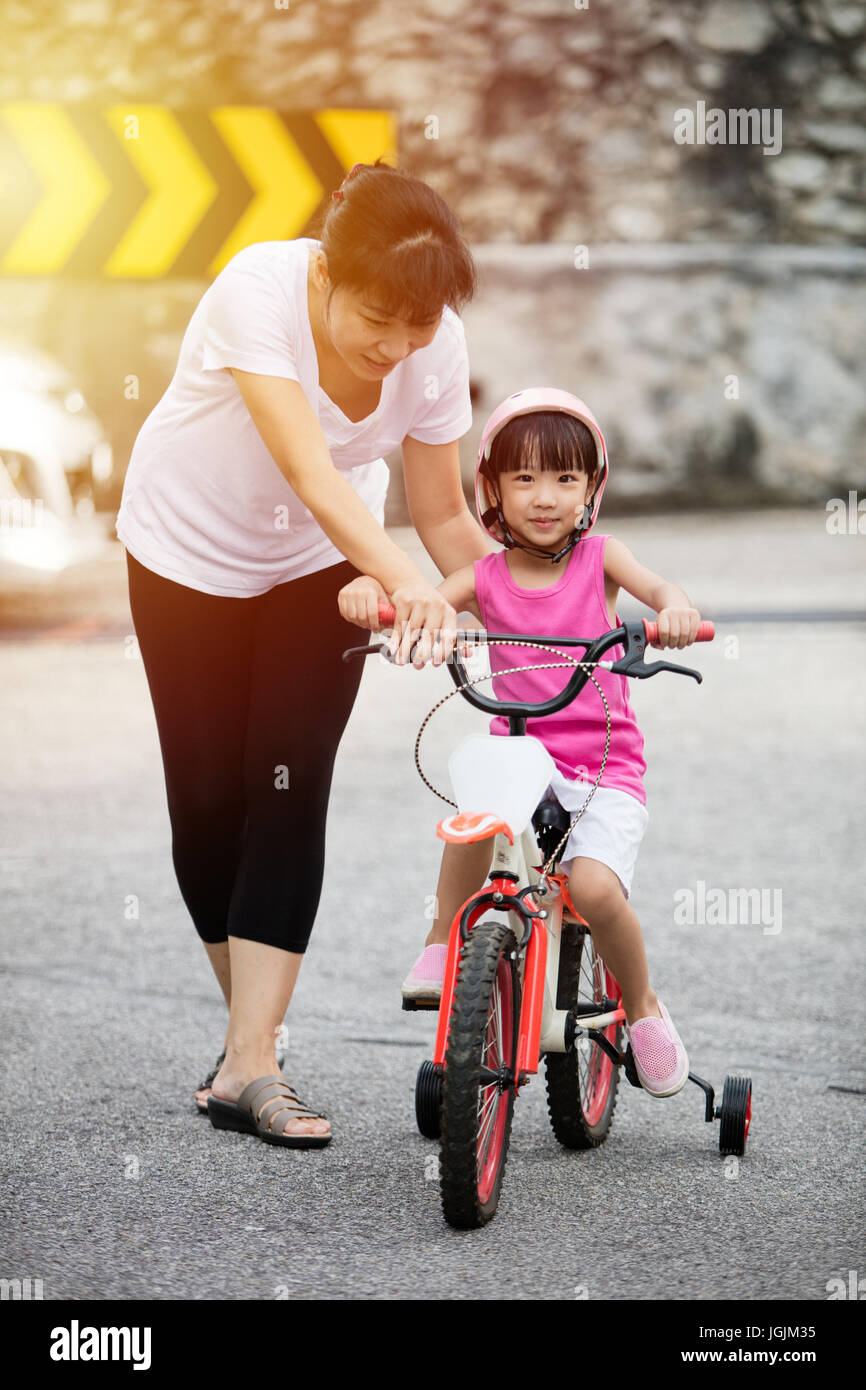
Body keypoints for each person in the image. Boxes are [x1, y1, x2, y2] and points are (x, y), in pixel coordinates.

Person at [116, 160, 490, 1147]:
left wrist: (540, 592)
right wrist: (409, 585)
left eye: (416, 327)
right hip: (183, 552)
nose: (396, 346)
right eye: (377, 317)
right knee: (205, 801)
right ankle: (250, 1042)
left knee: (286, 783)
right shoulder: (259, 289)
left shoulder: (431, 340)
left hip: (321, 568)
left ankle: (251, 1062)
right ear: (325, 274)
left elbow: (445, 512)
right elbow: (310, 469)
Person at [383, 388, 701, 1097]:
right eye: (523, 478)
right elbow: (430, 601)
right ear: (491, 490)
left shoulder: (600, 558)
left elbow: (658, 587)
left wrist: (674, 609)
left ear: (592, 487)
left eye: (565, 477)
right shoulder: (484, 576)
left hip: (601, 766)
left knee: (590, 886)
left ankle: (643, 1006)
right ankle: (442, 942)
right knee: (473, 812)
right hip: (522, 756)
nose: (545, 496)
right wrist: (397, 612)